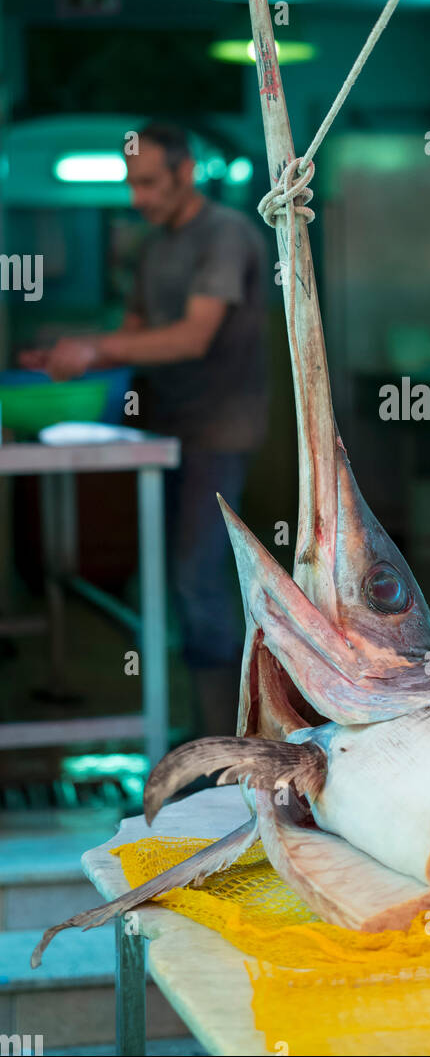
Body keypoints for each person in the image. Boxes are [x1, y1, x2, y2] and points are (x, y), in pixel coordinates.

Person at [21, 122, 269, 736]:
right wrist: (73, 354)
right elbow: (132, 331)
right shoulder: (152, 247)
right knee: (165, 585)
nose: (137, 198)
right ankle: (186, 726)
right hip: (160, 434)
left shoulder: (227, 234)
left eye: (149, 183)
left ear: (186, 173)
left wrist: (97, 347)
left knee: (197, 582)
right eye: (131, 184)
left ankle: (232, 740)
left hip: (217, 430)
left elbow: (194, 335)